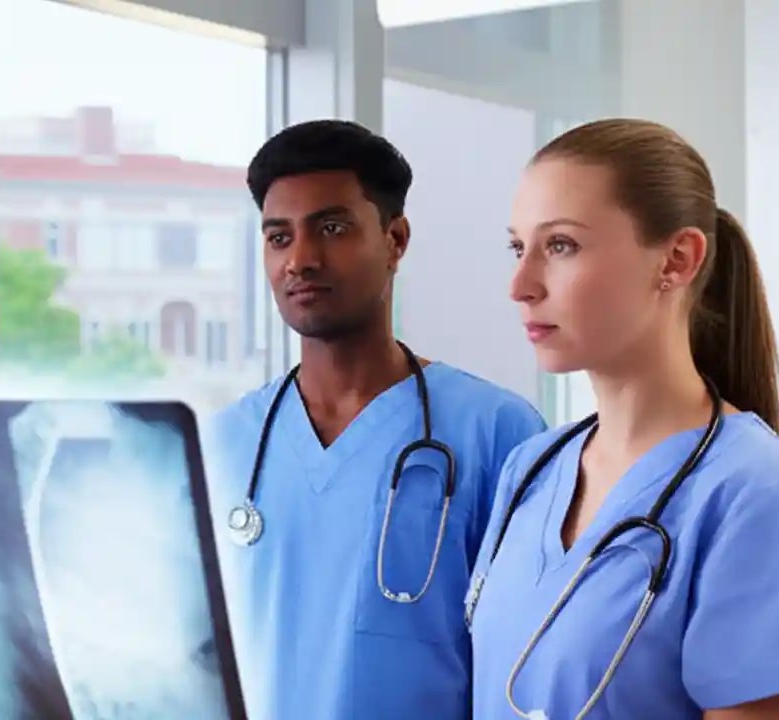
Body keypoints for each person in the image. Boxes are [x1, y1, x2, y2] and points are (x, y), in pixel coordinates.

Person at [467, 118, 779, 719]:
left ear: (676, 260)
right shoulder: (531, 469)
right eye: (517, 248)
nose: (520, 285)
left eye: (561, 246)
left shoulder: (757, 495)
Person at [203, 119, 546, 719]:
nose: (301, 260)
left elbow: (525, 661)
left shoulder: (497, 432)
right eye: (278, 237)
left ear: (395, 239)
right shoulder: (226, 442)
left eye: (331, 228)